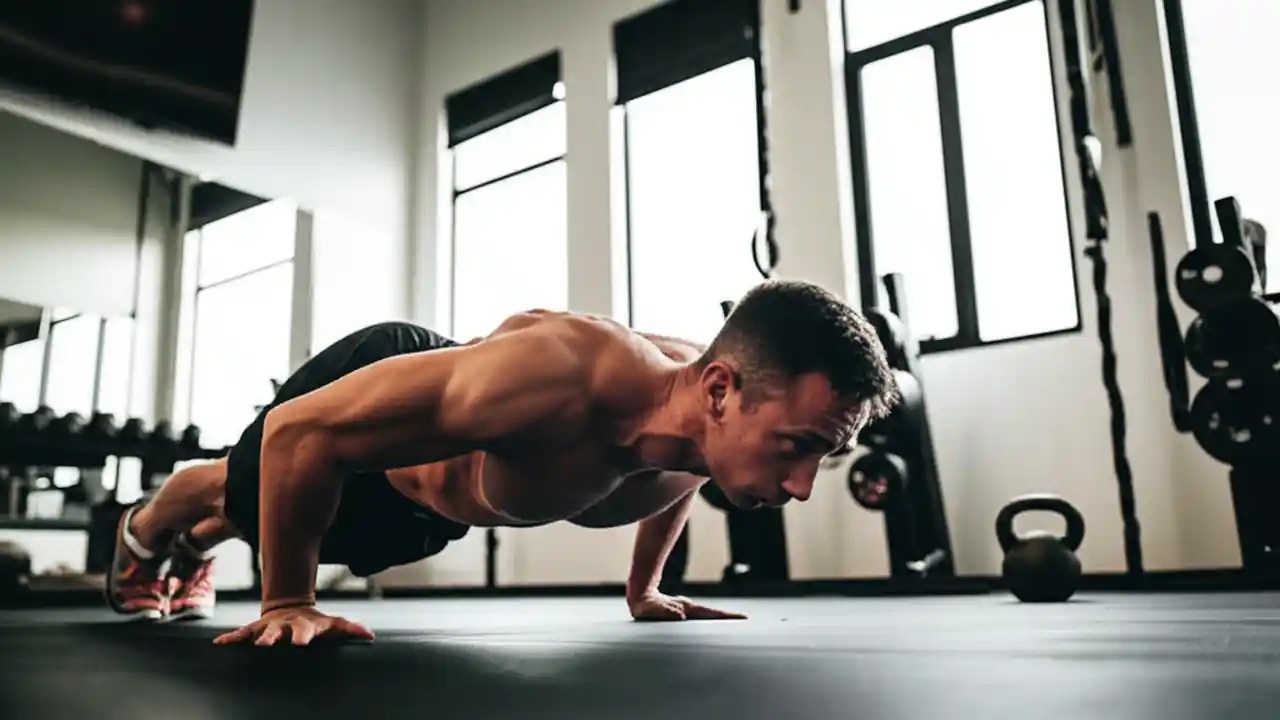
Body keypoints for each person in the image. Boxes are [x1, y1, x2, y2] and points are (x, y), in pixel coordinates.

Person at [106, 279, 899, 646]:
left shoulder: (706, 421)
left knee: (271, 523)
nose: (799, 487)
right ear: (721, 392)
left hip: (431, 514)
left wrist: (645, 587)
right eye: (797, 450)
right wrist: (284, 601)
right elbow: (298, 433)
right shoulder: (560, 379)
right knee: (248, 499)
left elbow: (683, 475)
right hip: (386, 418)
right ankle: (162, 518)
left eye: (820, 458)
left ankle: (202, 536)